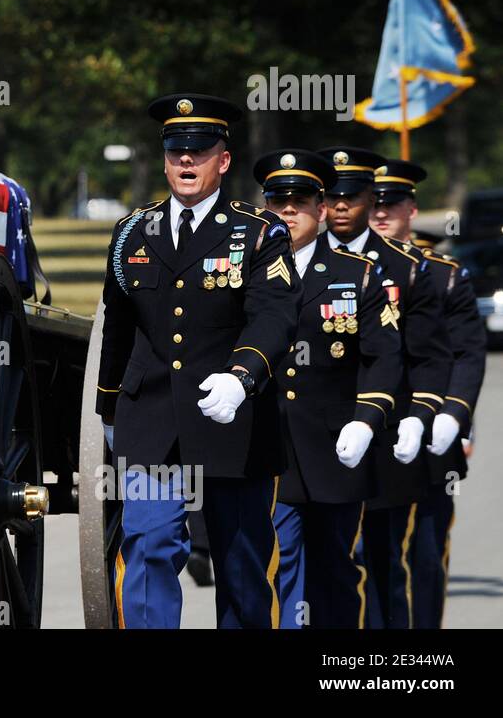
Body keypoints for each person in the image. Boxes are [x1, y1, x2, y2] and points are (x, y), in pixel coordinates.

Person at [96, 94, 300, 629]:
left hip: (233, 419)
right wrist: (109, 410)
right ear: (164, 159)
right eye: (176, 151)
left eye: (200, 152)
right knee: (148, 546)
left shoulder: (259, 232)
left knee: (242, 566)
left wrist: (243, 375)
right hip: (153, 420)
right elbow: (116, 329)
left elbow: (275, 316)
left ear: (223, 160)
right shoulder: (132, 233)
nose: (187, 162)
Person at [254, 149, 401, 629]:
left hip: (335, 450)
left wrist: (367, 420)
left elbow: (384, 355)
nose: (289, 210)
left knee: (335, 571)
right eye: (279, 200)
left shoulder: (354, 274)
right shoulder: (242, 274)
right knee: (277, 564)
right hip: (265, 449)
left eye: (301, 200)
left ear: (321, 207)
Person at [316, 147, 451, 629]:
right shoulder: (302, 261)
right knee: (325, 564)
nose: (341, 206)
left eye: (352, 197)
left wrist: (421, 416)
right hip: (322, 436)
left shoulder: (409, 267)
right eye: (332, 197)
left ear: (370, 199)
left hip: (388, 438)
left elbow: (430, 356)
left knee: (384, 561)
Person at [370, 159, 486, 628]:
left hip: (430, 440)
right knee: (368, 557)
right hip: (367, 437)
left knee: (424, 553)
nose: (380, 214)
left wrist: (456, 418)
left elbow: (465, 355)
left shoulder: (442, 274)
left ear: (411, 208)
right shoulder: (338, 269)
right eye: (371, 203)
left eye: (391, 204)